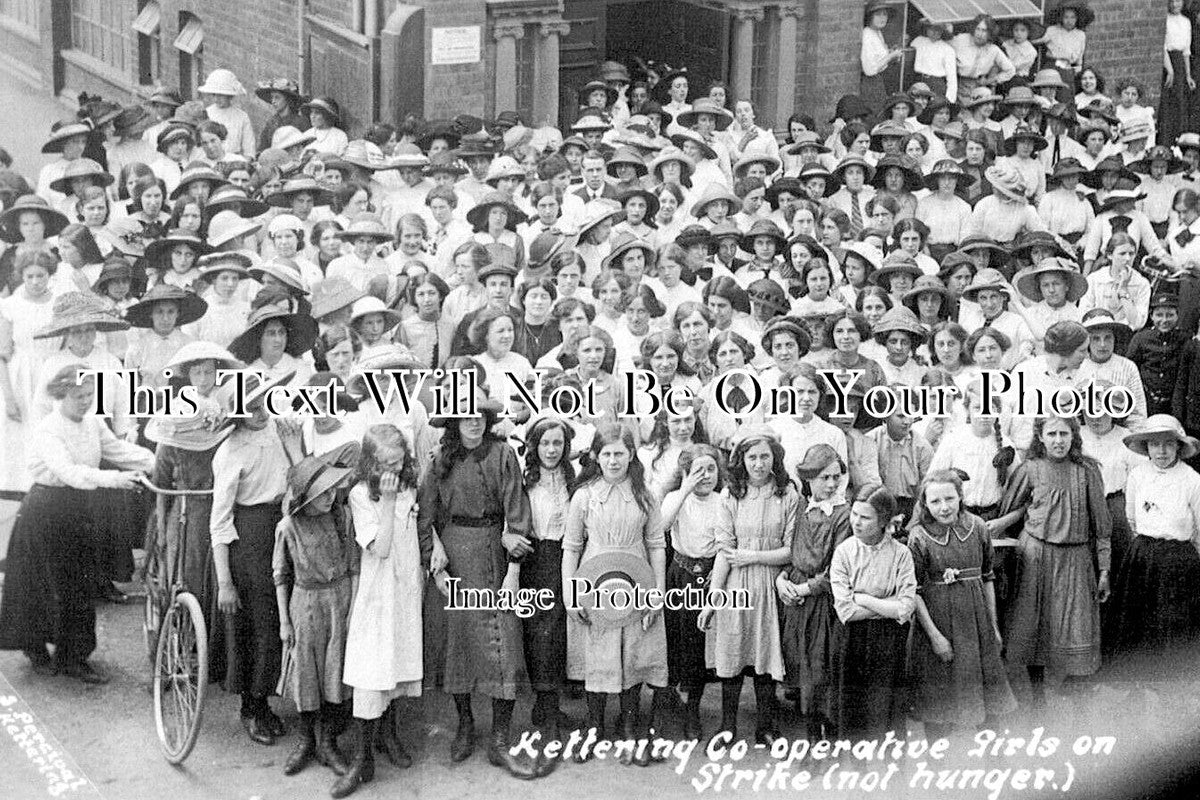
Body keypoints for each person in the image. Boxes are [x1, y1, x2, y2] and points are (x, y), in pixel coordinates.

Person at [0, 365, 154, 683]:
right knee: (41, 584)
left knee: (80, 585)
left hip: (79, 509)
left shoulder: (92, 423)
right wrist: (115, 478)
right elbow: (69, 472)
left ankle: (74, 657)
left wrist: (156, 459)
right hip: (44, 511)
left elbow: (117, 449)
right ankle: (36, 649)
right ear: (62, 395)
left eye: (89, 395)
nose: (85, 402)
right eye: (78, 396)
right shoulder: (48, 430)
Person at [418, 389, 541, 778]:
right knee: (458, 642)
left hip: (493, 553)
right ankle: (465, 724)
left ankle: (500, 738)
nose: (473, 422)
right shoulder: (439, 460)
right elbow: (425, 516)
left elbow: (517, 513)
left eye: (480, 415)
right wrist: (436, 563)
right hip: (454, 556)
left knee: (501, 642)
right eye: (465, 416)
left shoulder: (503, 455)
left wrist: (514, 570)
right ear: (454, 422)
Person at [337, 425, 437, 796]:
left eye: (398, 462)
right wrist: (391, 502)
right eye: (384, 465)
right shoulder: (362, 495)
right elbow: (378, 549)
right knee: (370, 671)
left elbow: (417, 527)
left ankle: (389, 736)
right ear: (370, 464)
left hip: (405, 588)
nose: (392, 472)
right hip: (378, 593)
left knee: (396, 664)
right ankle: (362, 757)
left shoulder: (409, 486)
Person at [562, 423, 669, 766]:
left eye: (619, 453)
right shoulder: (584, 495)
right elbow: (571, 548)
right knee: (598, 653)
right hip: (595, 581)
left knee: (632, 651)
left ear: (631, 454)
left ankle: (629, 727)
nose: (613, 460)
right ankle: (593, 727)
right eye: (606, 453)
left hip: (636, 580)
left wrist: (657, 593)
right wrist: (571, 593)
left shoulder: (644, 494)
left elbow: (656, 545)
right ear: (595, 455)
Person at [992, 415, 1111, 712]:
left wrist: (1104, 569)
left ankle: (1080, 705)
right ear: (1040, 437)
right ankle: (1037, 700)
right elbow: (1014, 508)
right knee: (1033, 625)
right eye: (1052, 433)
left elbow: (1102, 525)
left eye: (1064, 433)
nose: (1058, 440)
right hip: (1034, 557)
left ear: (1073, 436)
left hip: (1076, 557)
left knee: (1075, 625)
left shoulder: (1087, 471)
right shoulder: (1029, 469)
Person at [210, 372, 302, 745]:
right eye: (250, 407)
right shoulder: (230, 451)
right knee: (261, 621)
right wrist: (225, 582)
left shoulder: (278, 430)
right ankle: (253, 706)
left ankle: (274, 696)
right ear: (237, 413)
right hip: (249, 536)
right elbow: (220, 521)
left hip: (284, 524)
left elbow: (298, 474)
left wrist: (293, 441)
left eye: (263, 401)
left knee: (287, 612)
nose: (259, 411)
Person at [908, 470, 1016, 737]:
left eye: (949, 498)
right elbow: (914, 591)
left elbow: (988, 577)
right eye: (935, 502)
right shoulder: (919, 537)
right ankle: (937, 766)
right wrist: (935, 637)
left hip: (975, 622)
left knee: (986, 697)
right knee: (939, 698)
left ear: (960, 497)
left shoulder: (977, 526)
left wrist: (993, 627)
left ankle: (993, 761)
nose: (944, 507)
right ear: (925, 504)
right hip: (938, 622)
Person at [274, 445, 359, 780]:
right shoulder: (288, 527)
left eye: (332, 491)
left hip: (337, 601)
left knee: (332, 673)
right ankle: (306, 740)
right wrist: (284, 621)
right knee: (306, 672)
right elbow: (281, 574)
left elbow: (353, 566)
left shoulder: (342, 517)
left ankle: (328, 742)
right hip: (305, 604)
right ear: (306, 497)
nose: (330, 497)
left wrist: (350, 609)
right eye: (322, 493)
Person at [1106, 416, 1200, 676]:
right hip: (1144, 556)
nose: (1161, 451)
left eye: (1168, 444)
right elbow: (1132, 517)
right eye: (1154, 444)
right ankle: (1139, 676)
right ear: (1146, 447)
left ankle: (1170, 678)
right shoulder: (1138, 475)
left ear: (1178, 447)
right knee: (1140, 618)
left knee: (1173, 621)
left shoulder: (1192, 480)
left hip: (1178, 559)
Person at [829, 484, 916, 739]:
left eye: (865, 517)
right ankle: (858, 771)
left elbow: (906, 607)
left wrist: (864, 598)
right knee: (853, 712)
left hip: (889, 640)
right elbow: (845, 610)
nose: (856, 522)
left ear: (883, 522)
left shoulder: (901, 554)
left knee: (886, 709)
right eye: (854, 514)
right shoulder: (844, 552)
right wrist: (887, 604)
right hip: (850, 639)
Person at [658, 443, 730, 740]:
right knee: (679, 643)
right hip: (680, 576)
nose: (705, 476)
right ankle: (673, 703)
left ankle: (693, 710)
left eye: (710, 469)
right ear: (685, 473)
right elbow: (660, 525)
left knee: (701, 650)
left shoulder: (723, 499)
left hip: (713, 575)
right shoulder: (677, 498)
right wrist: (685, 488)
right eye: (698, 471)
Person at [778, 444, 851, 742]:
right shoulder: (801, 508)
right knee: (801, 669)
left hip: (823, 602)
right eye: (824, 478)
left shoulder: (843, 515)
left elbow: (838, 567)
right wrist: (782, 579)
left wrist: (807, 587)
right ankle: (811, 740)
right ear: (808, 479)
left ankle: (829, 741)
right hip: (795, 599)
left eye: (836, 477)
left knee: (821, 673)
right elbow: (791, 552)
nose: (832, 484)